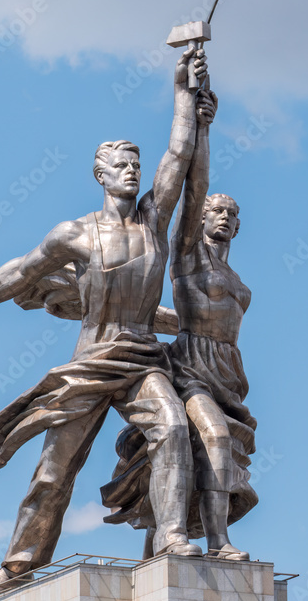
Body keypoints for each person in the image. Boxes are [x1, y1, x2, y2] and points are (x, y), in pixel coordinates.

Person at [0, 49, 208, 596]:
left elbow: (179, 152)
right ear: (99, 175)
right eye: (120, 165)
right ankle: (15, 568)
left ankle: (172, 535)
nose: (132, 170)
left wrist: (183, 91)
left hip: (142, 356)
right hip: (91, 359)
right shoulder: (74, 234)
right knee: (54, 472)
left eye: (136, 164)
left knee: (172, 428)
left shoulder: (155, 216)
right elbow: (21, 270)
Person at [102, 92, 258, 561]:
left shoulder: (235, 278)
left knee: (215, 450)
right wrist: (204, 128)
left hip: (228, 369)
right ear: (202, 220)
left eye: (233, 215)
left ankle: (182, 540)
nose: (225, 219)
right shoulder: (189, 256)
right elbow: (196, 184)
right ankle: (219, 541)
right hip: (191, 362)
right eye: (218, 212)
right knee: (214, 435)